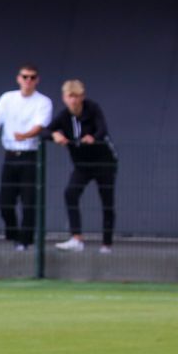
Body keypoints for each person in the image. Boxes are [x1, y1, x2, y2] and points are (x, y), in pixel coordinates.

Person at [0, 63, 53, 251]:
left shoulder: (43, 102)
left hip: (30, 156)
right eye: (25, 77)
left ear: (37, 80)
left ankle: (25, 240)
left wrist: (25, 135)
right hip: (11, 155)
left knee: (29, 200)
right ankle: (12, 232)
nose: (28, 81)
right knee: (5, 200)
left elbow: (40, 126)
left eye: (32, 77)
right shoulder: (8, 98)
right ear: (18, 78)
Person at [48, 80, 117, 253]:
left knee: (107, 201)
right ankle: (76, 238)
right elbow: (45, 131)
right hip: (82, 165)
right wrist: (55, 135)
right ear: (64, 98)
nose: (74, 100)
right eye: (70, 96)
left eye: (77, 96)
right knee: (70, 193)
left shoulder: (92, 108)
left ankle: (107, 244)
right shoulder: (64, 116)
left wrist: (93, 138)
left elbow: (102, 129)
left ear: (82, 97)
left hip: (104, 163)